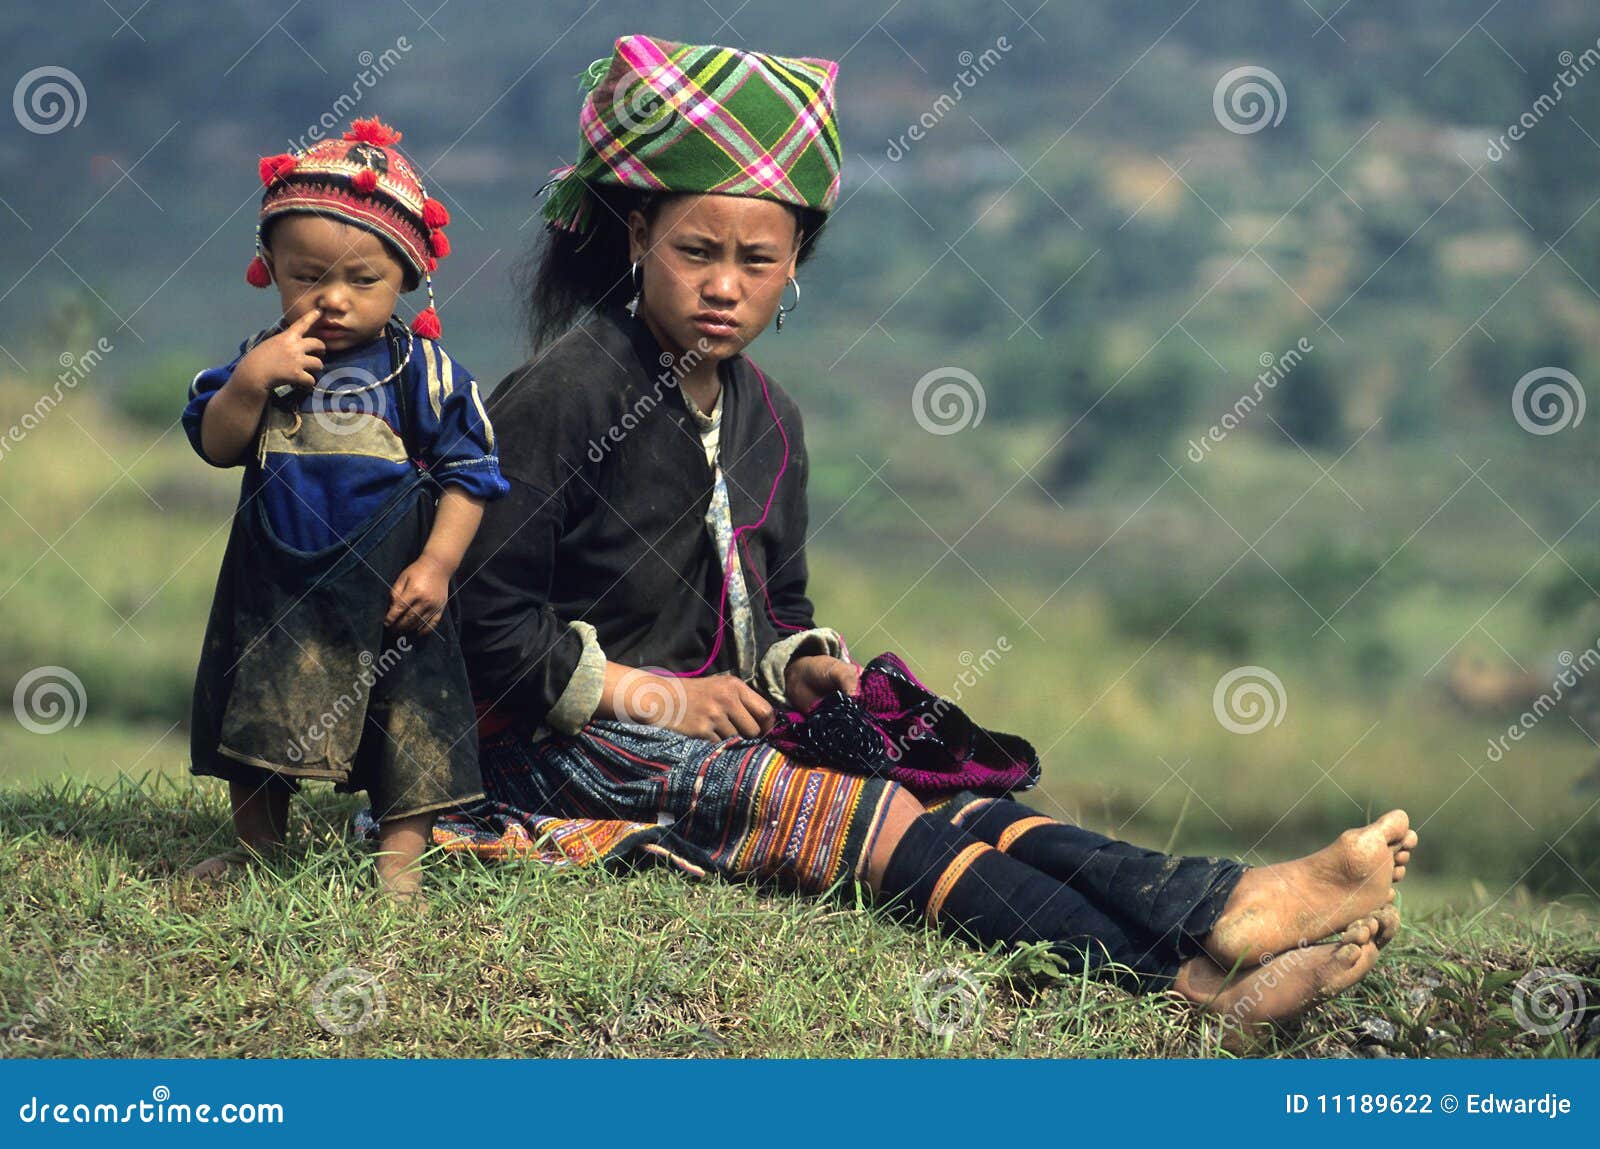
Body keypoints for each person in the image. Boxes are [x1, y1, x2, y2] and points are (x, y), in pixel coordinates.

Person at [444, 35, 1418, 1025]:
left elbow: (778, 605)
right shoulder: (563, 394)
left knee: (955, 794)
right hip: (557, 747)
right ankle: (1184, 988)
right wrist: (656, 694)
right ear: (637, 236)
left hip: (724, 726)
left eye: (757, 259)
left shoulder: (770, 418)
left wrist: (801, 665)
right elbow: (479, 620)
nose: (725, 285)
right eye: (696, 252)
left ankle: (1223, 904)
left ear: (794, 265)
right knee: (857, 812)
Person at [182, 117, 508, 902]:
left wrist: (437, 565)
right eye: (306, 276)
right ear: (270, 268)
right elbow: (218, 445)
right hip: (278, 585)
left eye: (362, 280)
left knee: (409, 720)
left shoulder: (423, 372)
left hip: (391, 590)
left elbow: (472, 474)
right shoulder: (261, 359)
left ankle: (400, 867)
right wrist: (251, 382)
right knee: (259, 708)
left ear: (406, 278)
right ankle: (259, 850)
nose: (331, 298)